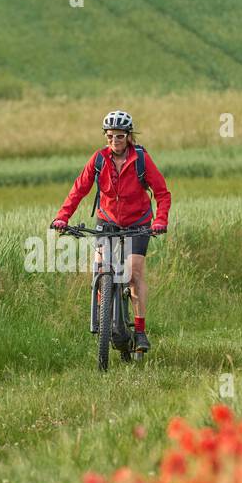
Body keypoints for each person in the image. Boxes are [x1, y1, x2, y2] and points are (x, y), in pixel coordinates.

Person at [51, 110, 171, 353]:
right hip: (107, 220)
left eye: (119, 136)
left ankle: (139, 330)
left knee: (134, 274)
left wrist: (160, 220)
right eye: (109, 137)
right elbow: (78, 189)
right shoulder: (99, 159)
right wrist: (62, 217)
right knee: (100, 268)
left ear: (128, 136)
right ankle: (104, 313)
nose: (114, 141)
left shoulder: (140, 159)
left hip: (138, 222)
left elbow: (162, 193)